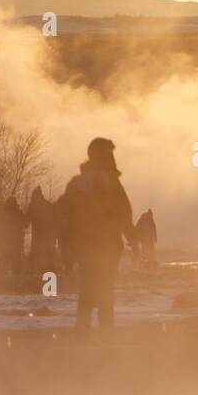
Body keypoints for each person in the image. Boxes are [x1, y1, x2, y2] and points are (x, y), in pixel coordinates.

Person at [61, 137, 138, 332]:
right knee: (105, 289)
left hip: (83, 246)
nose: (113, 157)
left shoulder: (76, 183)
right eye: (110, 153)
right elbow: (123, 213)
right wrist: (134, 241)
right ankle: (106, 333)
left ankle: (82, 331)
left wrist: (67, 249)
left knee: (86, 288)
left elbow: (65, 219)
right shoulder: (109, 181)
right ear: (103, 155)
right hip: (107, 245)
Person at [26, 186, 58, 275]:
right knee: (47, 252)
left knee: (37, 252)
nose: (33, 197)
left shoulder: (33, 206)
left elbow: (26, 220)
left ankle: (32, 271)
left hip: (40, 233)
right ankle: (49, 271)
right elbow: (54, 220)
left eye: (34, 195)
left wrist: (22, 224)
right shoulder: (48, 205)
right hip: (47, 233)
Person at [0, 197, 29, 275]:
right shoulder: (16, 212)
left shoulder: (6, 211)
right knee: (10, 256)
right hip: (11, 238)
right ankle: (12, 273)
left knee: (7, 256)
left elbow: (25, 224)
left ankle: (4, 273)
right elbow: (25, 224)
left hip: (10, 238)